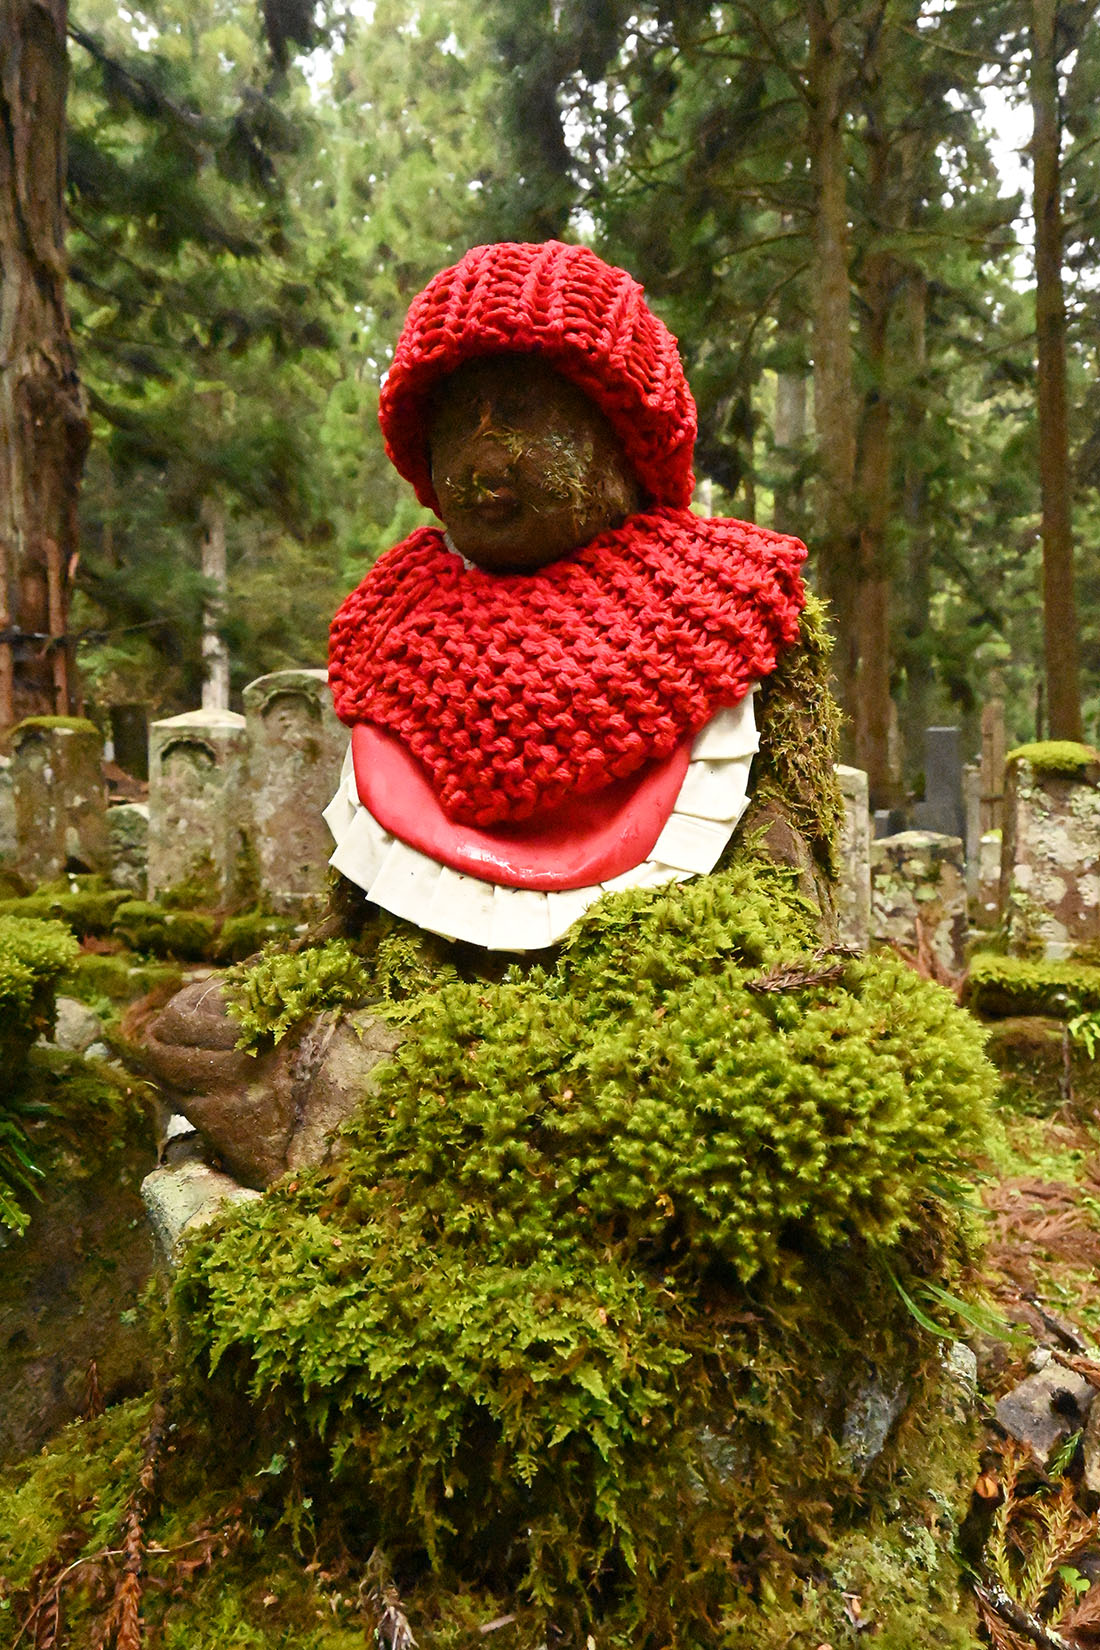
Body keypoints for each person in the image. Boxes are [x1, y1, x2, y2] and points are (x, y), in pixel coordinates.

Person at [325, 240, 810, 952]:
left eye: (523, 417)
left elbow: (781, 904)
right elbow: (348, 928)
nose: (486, 464)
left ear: (626, 443)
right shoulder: (393, 630)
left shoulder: (730, 611)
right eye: (457, 426)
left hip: (666, 986)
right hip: (413, 992)